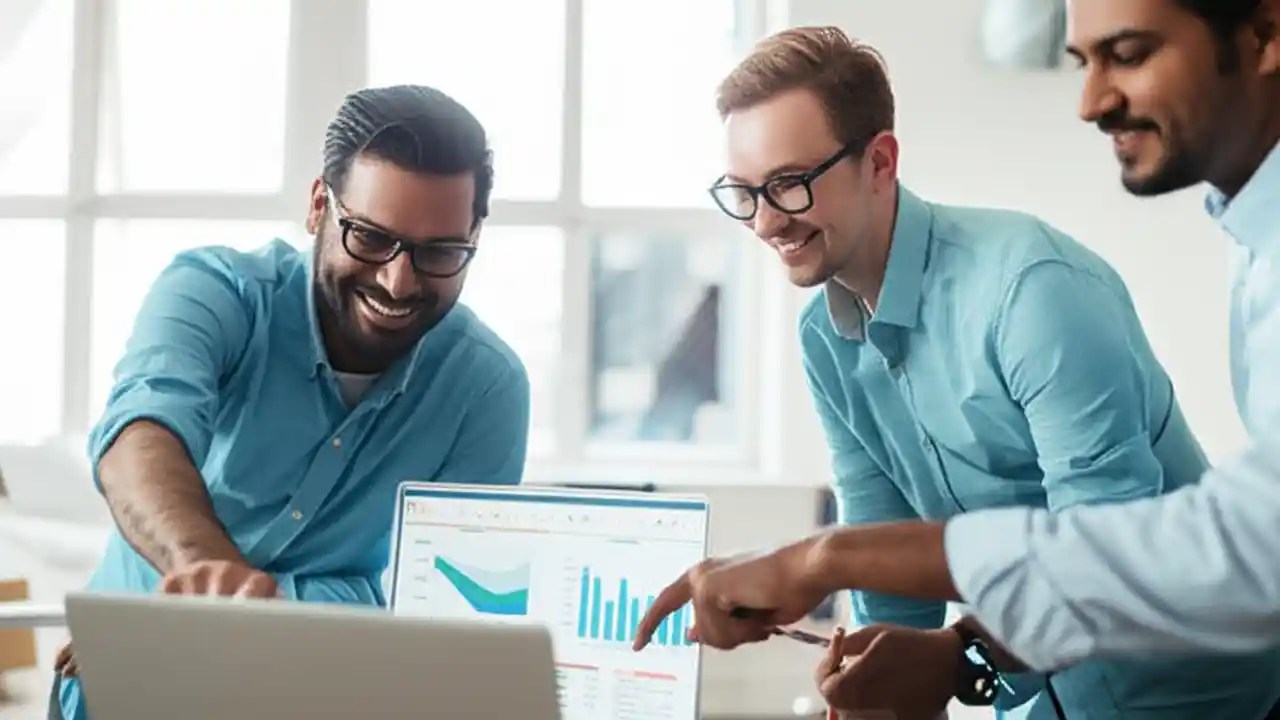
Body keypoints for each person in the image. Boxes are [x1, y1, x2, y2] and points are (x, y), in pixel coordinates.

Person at [636, 0, 1280, 717]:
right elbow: (887, 582)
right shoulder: (826, 336)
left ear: (880, 162)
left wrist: (916, 628)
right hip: (1038, 696)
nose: (764, 219)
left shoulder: (1030, 292)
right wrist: (864, 686)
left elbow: (1112, 556)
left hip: (1193, 696)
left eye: (788, 184)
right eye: (744, 193)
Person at [50, 85, 531, 720]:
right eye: (369, 237)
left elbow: (450, 616)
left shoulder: (487, 389)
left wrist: (236, 626)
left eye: (439, 252)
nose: (397, 281)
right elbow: (140, 437)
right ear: (317, 208)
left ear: (474, 238)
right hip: (125, 692)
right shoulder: (213, 292)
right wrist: (204, 578)